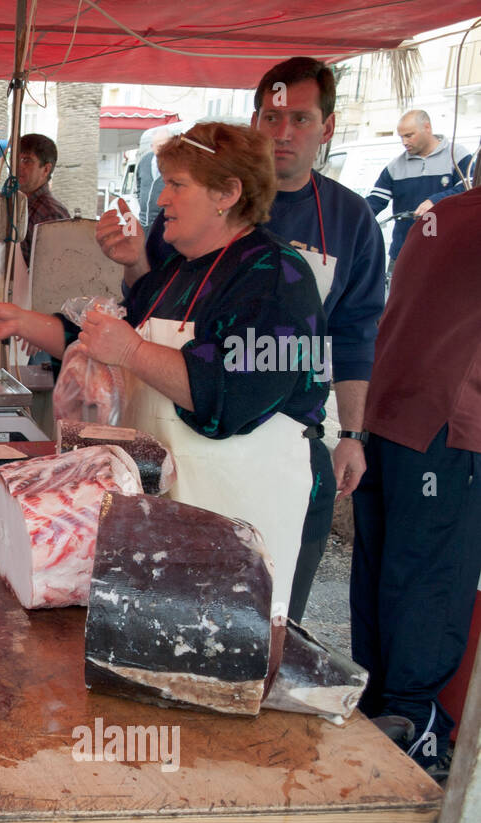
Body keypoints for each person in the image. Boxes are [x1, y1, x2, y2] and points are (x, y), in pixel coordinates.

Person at [0, 123, 329, 618]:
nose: (161, 199)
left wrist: (135, 352)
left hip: (239, 518)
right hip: (170, 505)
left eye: (177, 184)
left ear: (228, 193)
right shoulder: (178, 270)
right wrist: (19, 321)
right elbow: (101, 340)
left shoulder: (275, 278)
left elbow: (236, 394)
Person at [144, 58, 387, 623]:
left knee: (262, 625)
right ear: (255, 119)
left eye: (300, 119)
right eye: (272, 117)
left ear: (327, 128)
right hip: (187, 442)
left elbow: (353, 333)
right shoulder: (191, 209)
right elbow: (156, 303)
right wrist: (133, 263)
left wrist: (351, 433)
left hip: (280, 442)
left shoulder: (351, 220)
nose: (283, 133)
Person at [350, 184, 481, 780]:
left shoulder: (445, 212)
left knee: (388, 572)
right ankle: (412, 727)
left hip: (391, 414)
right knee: (432, 572)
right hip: (445, 423)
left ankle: (380, 713)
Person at [365, 109, 472, 278]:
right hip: (403, 254)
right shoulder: (395, 166)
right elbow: (375, 202)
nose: (404, 142)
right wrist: (349, 215)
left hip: (448, 253)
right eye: (401, 137)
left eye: (409, 135)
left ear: (427, 127)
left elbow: (469, 189)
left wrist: (435, 201)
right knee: (397, 304)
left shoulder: (457, 155)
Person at [17, 133, 70, 266]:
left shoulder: (51, 214)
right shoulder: (21, 205)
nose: (18, 166)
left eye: (26, 160)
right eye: (15, 159)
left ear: (46, 169)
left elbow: (55, 268)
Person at [135, 128, 170, 229]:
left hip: (165, 225)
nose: (163, 149)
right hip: (144, 223)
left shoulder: (177, 165)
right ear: (152, 146)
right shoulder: (145, 161)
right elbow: (139, 187)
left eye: (166, 145)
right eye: (159, 146)